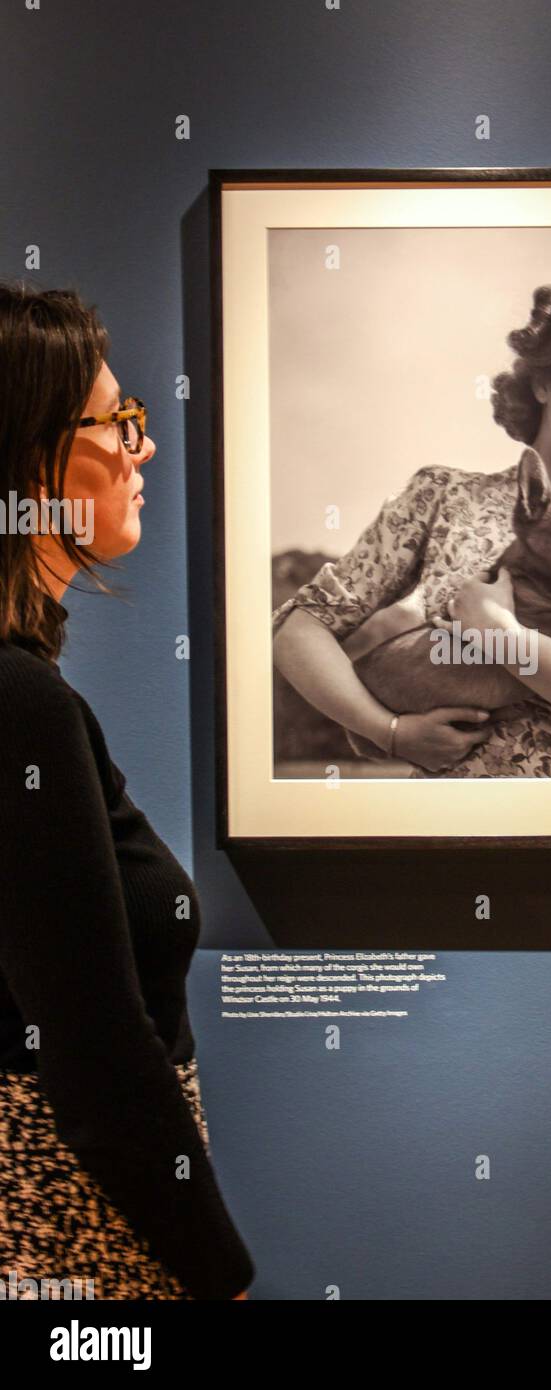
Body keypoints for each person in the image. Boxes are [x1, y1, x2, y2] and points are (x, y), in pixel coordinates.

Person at [0, 282, 253, 1300]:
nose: (142, 451)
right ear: (31, 453)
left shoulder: (26, 688)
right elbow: (95, 1050)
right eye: (120, 423)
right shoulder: (17, 703)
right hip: (69, 1241)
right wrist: (220, 1273)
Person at [273, 281, 551, 778]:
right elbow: (297, 632)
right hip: (448, 827)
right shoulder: (441, 495)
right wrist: (387, 731)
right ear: (543, 383)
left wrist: (502, 634)